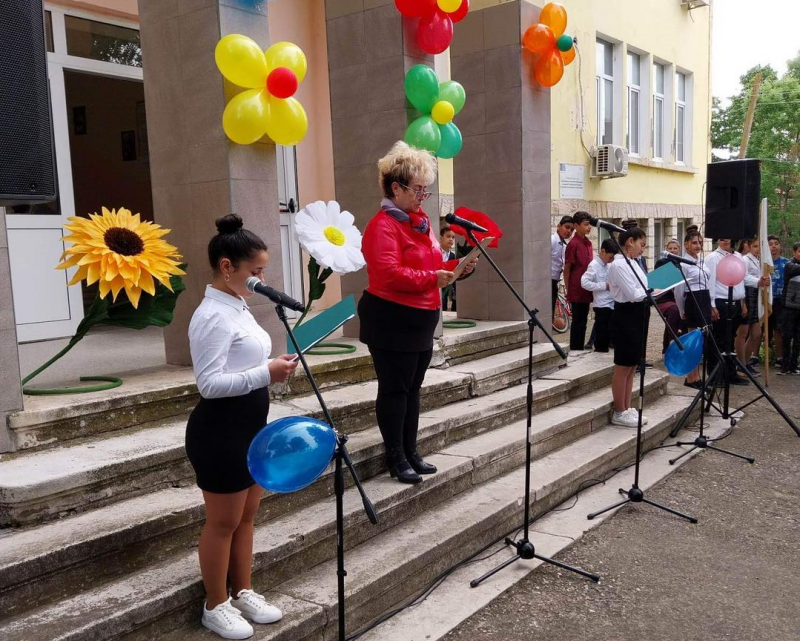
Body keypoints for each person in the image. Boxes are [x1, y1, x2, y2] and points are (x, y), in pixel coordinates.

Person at [186, 213, 298, 639]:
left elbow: (246, 364)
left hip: (252, 424)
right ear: (228, 267)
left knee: (247, 516)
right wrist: (265, 374)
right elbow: (209, 384)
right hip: (220, 431)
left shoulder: (238, 306)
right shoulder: (211, 315)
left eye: (264, 271)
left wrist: (273, 369)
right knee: (222, 521)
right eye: (256, 271)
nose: (261, 279)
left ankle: (243, 590)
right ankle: (215, 604)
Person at [358, 141, 475, 485]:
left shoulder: (419, 222)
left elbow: (435, 264)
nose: (423, 197)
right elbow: (388, 273)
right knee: (394, 390)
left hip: (421, 317)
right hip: (392, 318)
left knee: (413, 389)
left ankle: (410, 450)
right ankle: (394, 455)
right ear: (396, 188)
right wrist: (432, 278)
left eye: (426, 190)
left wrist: (457, 268)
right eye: (418, 190)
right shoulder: (382, 226)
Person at [607, 226, 650, 428]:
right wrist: (650, 290)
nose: (643, 250)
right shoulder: (618, 265)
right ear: (630, 241)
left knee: (633, 365)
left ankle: (627, 405)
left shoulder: (633, 262)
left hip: (638, 313)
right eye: (642, 245)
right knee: (623, 365)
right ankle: (619, 410)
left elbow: (643, 287)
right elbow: (633, 293)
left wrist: (651, 289)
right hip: (625, 314)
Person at [706, 238, 749, 386]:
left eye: (727, 238)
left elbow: (741, 279)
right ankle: (715, 374)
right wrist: (712, 305)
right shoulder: (713, 258)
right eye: (721, 239)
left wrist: (743, 303)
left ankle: (730, 373)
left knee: (730, 340)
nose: (725, 241)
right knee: (718, 340)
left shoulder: (737, 256)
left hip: (736, 302)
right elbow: (710, 282)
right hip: (721, 302)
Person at [674, 230, 712, 389]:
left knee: (701, 341)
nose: (698, 246)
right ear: (686, 244)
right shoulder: (683, 263)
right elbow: (679, 290)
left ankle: (697, 376)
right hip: (693, 300)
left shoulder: (701, 261)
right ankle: (690, 378)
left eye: (700, 243)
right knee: (693, 342)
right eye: (695, 243)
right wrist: (682, 309)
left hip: (704, 299)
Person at [738, 239, 770, 375]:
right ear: (749, 247)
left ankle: (745, 362)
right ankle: (741, 364)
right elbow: (742, 278)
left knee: (756, 333)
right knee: (743, 333)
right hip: (746, 295)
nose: (757, 249)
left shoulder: (759, 261)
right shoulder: (744, 260)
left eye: (760, 246)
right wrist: (758, 281)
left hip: (756, 296)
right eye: (755, 246)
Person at [563, 211, 594, 350]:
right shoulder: (573, 244)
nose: (589, 227)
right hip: (576, 288)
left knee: (584, 321)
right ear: (576, 225)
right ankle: (575, 348)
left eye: (589, 224)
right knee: (577, 321)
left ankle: (580, 347)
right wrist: (568, 289)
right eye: (586, 225)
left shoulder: (588, 243)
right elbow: (567, 267)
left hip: (587, 288)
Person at [581, 238, 617, 352]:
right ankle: (600, 353)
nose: (611, 260)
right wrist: (603, 285)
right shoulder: (594, 265)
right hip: (601, 305)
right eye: (610, 257)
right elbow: (584, 282)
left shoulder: (610, 265)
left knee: (611, 334)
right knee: (602, 335)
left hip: (612, 303)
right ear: (603, 251)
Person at [653, 238, 683, 356]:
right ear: (666, 250)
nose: (673, 251)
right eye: (670, 248)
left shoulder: (683, 263)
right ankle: (672, 341)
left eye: (675, 248)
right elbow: (656, 282)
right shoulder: (661, 263)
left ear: (679, 250)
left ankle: (670, 347)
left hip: (680, 296)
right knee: (674, 311)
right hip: (665, 297)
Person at [777, 241, 800, 375]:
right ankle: (784, 365)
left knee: (798, 338)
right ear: (794, 252)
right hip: (789, 307)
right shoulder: (789, 265)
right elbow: (795, 270)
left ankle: (793, 364)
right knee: (787, 336)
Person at [768, 235, 790, 368]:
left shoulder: (787, 263)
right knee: (762, 329)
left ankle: (780, 358)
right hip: (767, 299)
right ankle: (754, 357)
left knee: (779, 329)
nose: (774, 246)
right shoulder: (763, 263)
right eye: (770, 244)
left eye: (776, 243)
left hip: (782, 300)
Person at [551, 215, 574, 314]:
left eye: (572, 229)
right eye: (567, 227)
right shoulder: (552, 240)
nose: (569, 231)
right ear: (558, 226)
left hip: (554, 281)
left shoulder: (564, 244)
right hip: (547, 281)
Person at [440, 225, 457, 311]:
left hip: (448, 287)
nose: (451, 239)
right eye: (448, 236)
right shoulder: (436, 252)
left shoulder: (454, 256)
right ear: (441, 237)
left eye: (453, 237)